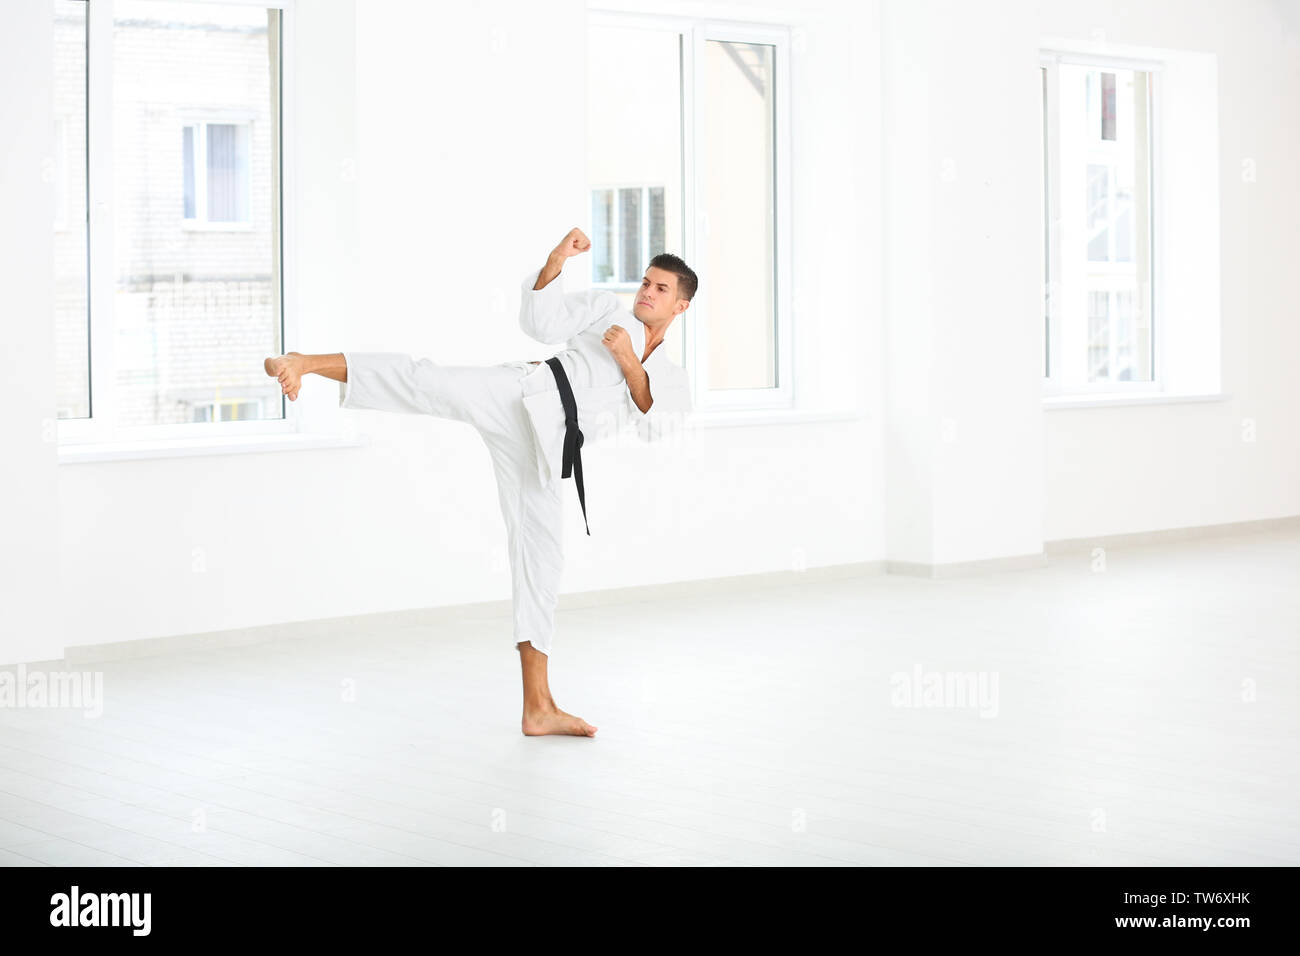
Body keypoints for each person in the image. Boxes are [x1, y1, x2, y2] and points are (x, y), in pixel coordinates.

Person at [263, 227, 697, 737]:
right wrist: (557, 258)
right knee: (428, 380)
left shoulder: (669, 375)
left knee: (542, 558)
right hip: (520, 392)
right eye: (646, 281)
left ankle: (538, 707)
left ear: (681, 307)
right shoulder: (607, 308)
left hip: (548, 443)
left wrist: (627, 358)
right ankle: (305, 362)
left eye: (661, 288)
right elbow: (541, 321)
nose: (647, 292)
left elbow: (657, 422)